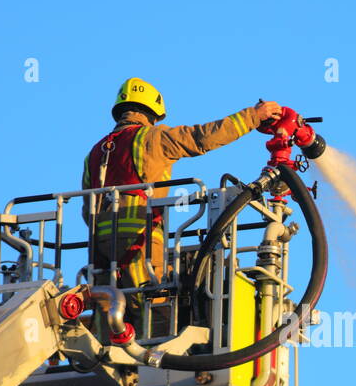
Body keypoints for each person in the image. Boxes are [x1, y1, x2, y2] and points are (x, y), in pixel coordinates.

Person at [81, 77, 280, 334]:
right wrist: (253, 116)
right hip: (141, 238)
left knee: (107, 304)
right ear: (153, 113)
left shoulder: (95, 152)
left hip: (100, 245)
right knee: (152, 304)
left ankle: (104, 357)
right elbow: (202, 137)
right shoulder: (153, 137)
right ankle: (157, 360)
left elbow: (87, 208)